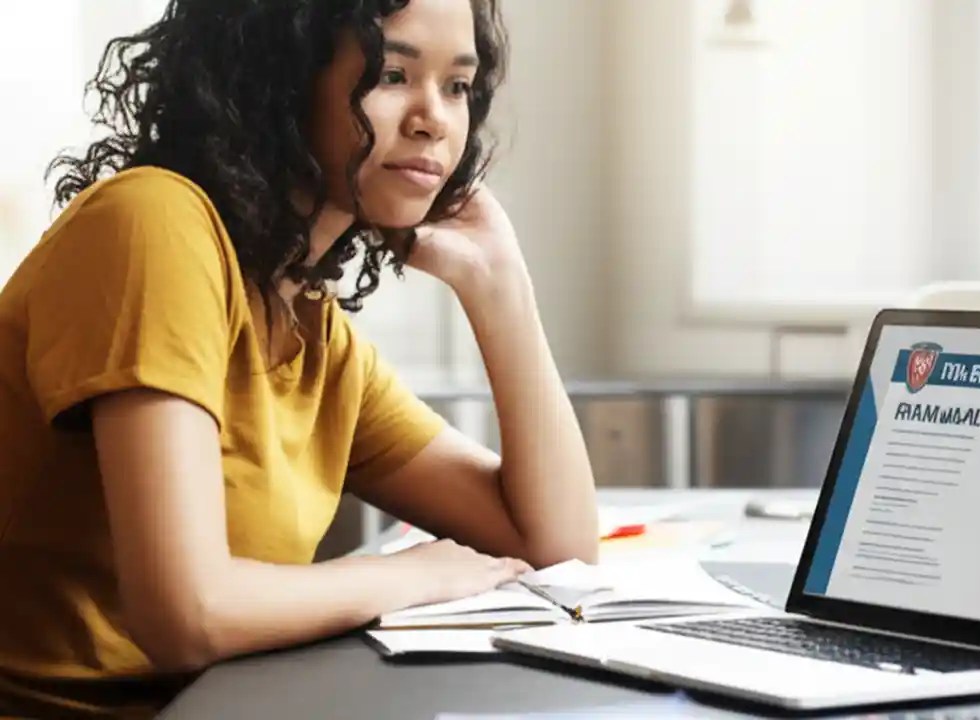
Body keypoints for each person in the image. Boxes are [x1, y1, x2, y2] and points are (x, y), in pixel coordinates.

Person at [0, 0, 599, 716]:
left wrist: (501, 292)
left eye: (457, 86)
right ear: (281, 75)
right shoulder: (152, 225)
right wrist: (411, 576)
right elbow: (187, 613)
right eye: (392, 73)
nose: (433, 119)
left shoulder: (312, 328)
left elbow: (558, 547)